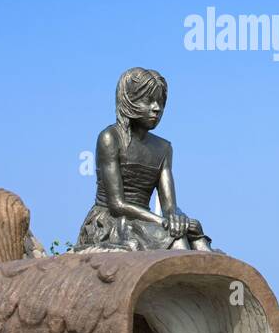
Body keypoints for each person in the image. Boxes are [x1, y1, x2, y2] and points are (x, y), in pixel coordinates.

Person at [74, 67, 214, 252]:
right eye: (148, 101)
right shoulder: (110, 138)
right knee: (175, 240)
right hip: (112, 221)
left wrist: (179, 219)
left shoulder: (164, 148)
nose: (156, 108)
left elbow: (170, 207)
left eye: (160, 102)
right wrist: (163, 222)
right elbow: (117, 205)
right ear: (129, 100)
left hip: (146, 219)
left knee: (197, 239)